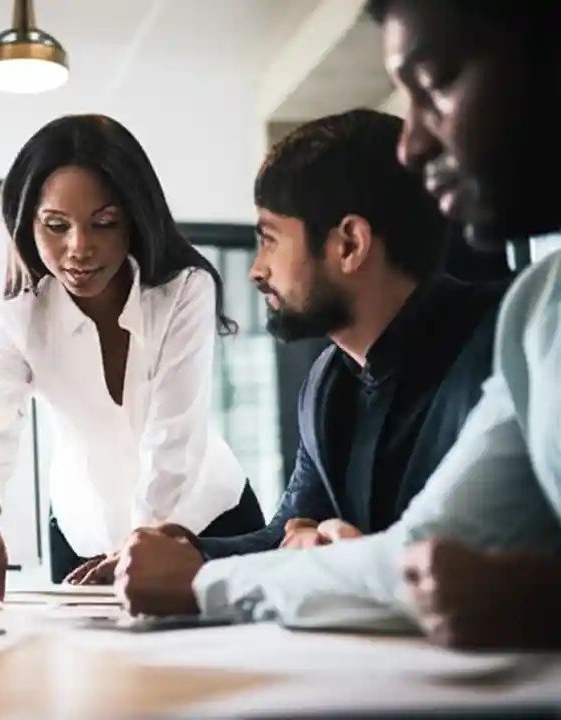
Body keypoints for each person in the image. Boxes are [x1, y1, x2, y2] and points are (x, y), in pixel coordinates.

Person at [115, 0, 561, 651]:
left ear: (349, 245)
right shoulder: (536, 311)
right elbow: (415, 557)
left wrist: (207, 576)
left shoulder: (497, 336)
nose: (414, 143)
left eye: (436, 83)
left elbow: (423, 563)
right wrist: (199, 558)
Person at [163, 109, 504, 570]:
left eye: (270, 240)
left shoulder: (505, 346)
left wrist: (346, 557)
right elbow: (287, 529)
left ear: (349, 244)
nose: (256, 270)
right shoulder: (328, 380)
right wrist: (187, 554)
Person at [0, 114, 263, 603]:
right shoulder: (21, 314)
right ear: (27, 221)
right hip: (83, 537)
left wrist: (141, 544)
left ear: (134, 218)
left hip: (205, 521)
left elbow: (173, 435)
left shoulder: (183, 291)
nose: (79, 248)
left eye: (105, 223)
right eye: (56, 226)